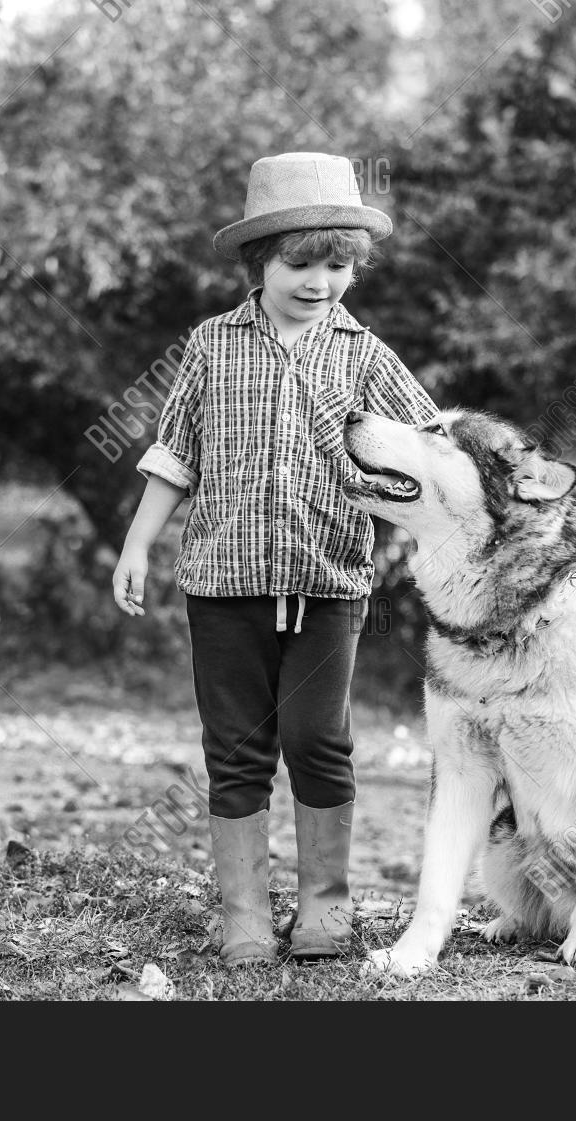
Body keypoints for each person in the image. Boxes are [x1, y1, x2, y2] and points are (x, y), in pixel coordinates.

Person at [112, 153, 438, 965]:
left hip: (328, 585)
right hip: (224, 587)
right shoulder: (212, 346)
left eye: (338, 266)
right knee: (235, 749)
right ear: (259, 262)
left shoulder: (365, 354)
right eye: (301, 264)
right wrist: (137, 544)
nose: (320, 282)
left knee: (316, 736)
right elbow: (176, 455)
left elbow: (429, 448)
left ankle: (325, 905)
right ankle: (246, 916)